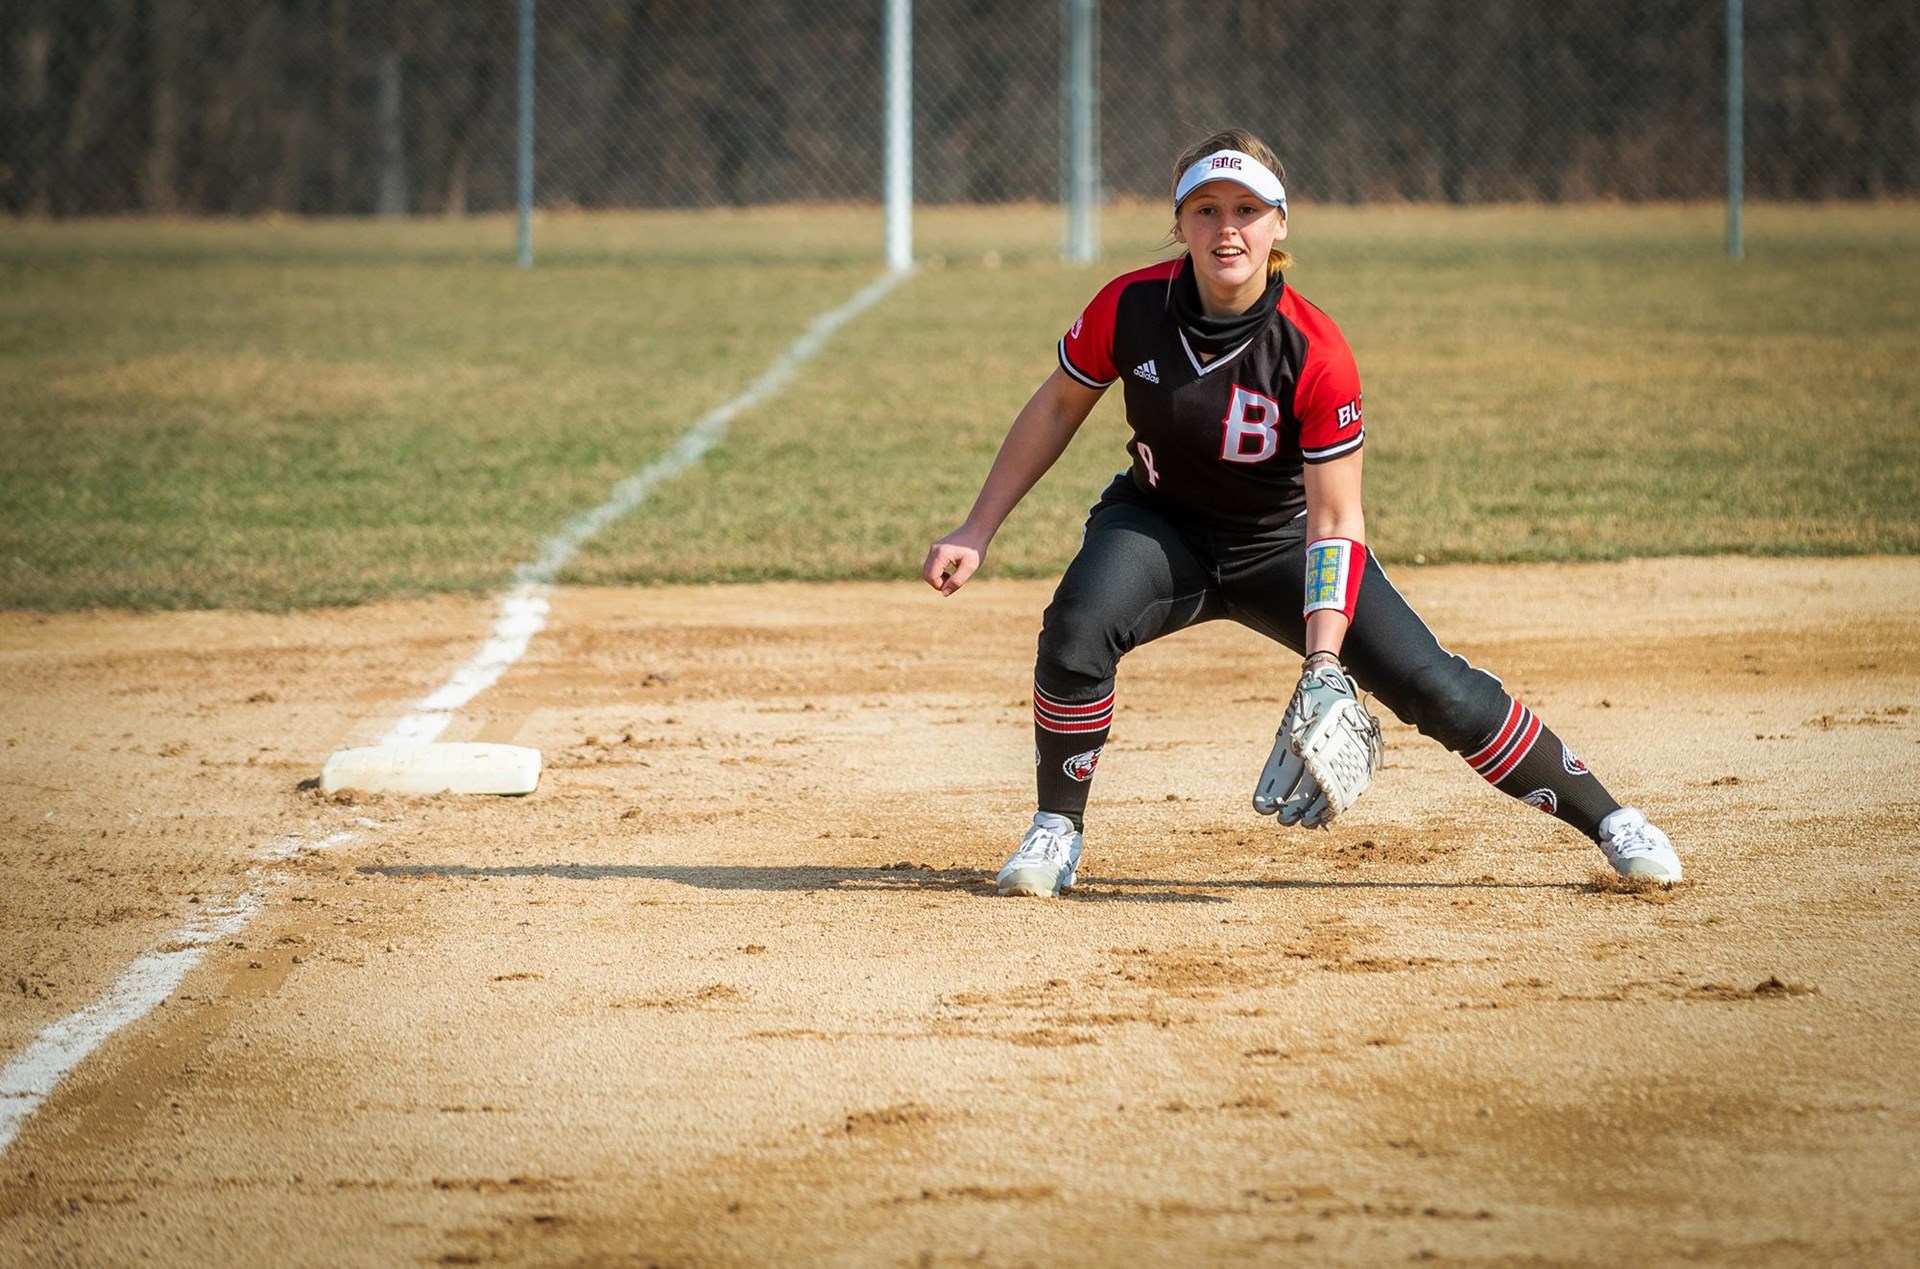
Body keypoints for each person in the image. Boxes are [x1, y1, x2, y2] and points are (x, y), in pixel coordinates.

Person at [920, 127, 1684, 897]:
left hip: (1281, 542)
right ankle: (1056, 828)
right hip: (1159, 526)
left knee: (1437, 689)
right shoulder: (1130, 305)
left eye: (1247, 210)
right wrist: (976, 529)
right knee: (1077, 628)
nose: (1227, 229)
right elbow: (1059, 406)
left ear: (1278, 223)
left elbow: (1335, 520)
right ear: (1179, 224)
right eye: (1207, 209)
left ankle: (1614, 821)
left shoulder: (1314, 349)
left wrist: (1323, 660)